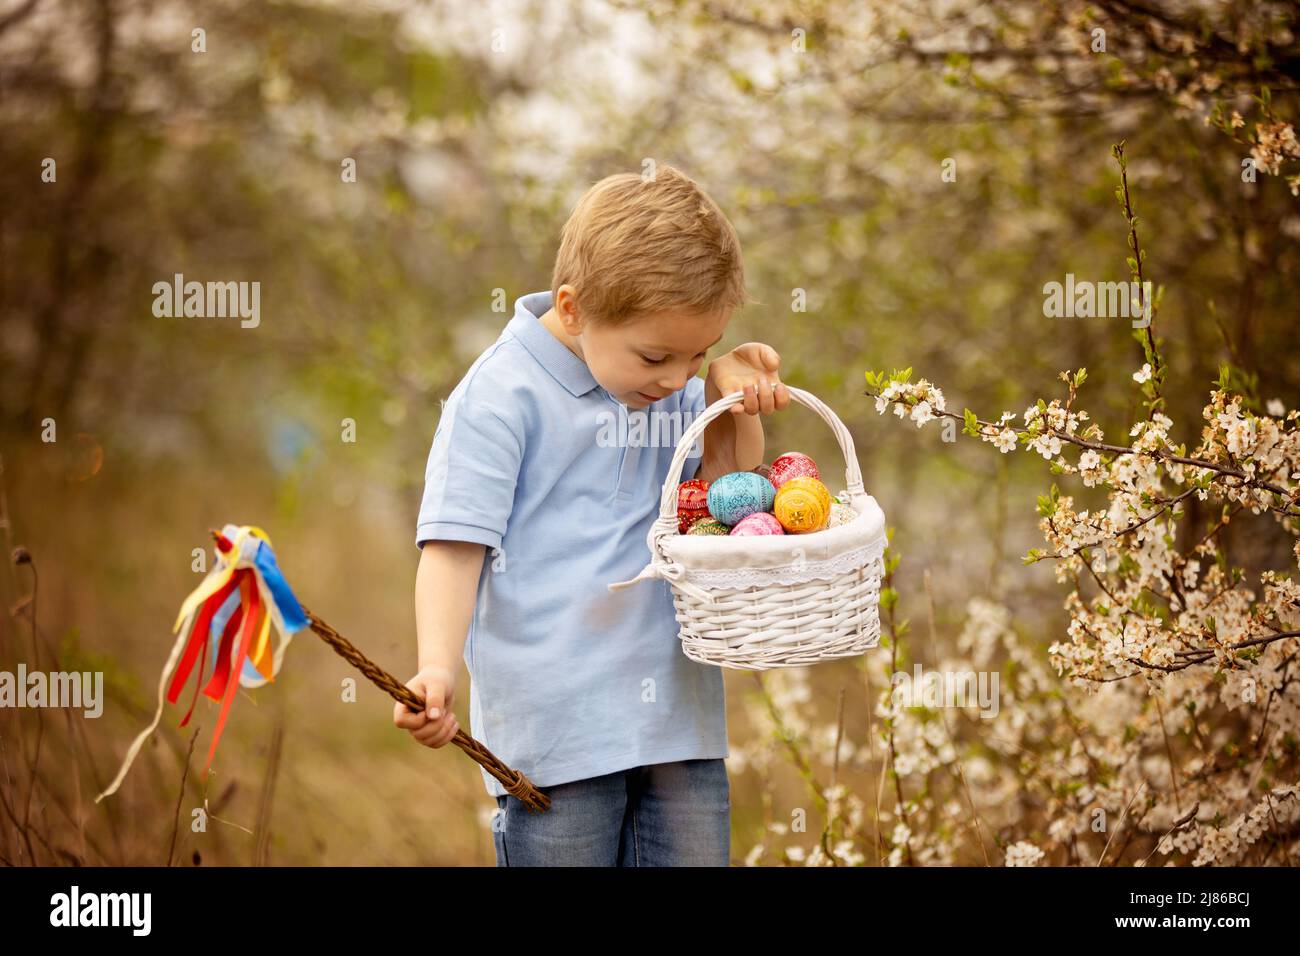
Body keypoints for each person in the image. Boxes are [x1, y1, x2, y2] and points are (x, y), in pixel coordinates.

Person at [395, 165, 789, 866]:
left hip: (677, 726)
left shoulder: (669, 389)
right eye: (657, 355)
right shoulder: (499, 398)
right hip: (557, 741)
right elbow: (455, 550)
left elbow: (729, 502)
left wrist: (729, 398)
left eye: (696, 352)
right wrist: (435, 668)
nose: (676, 378)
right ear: (573, 309)